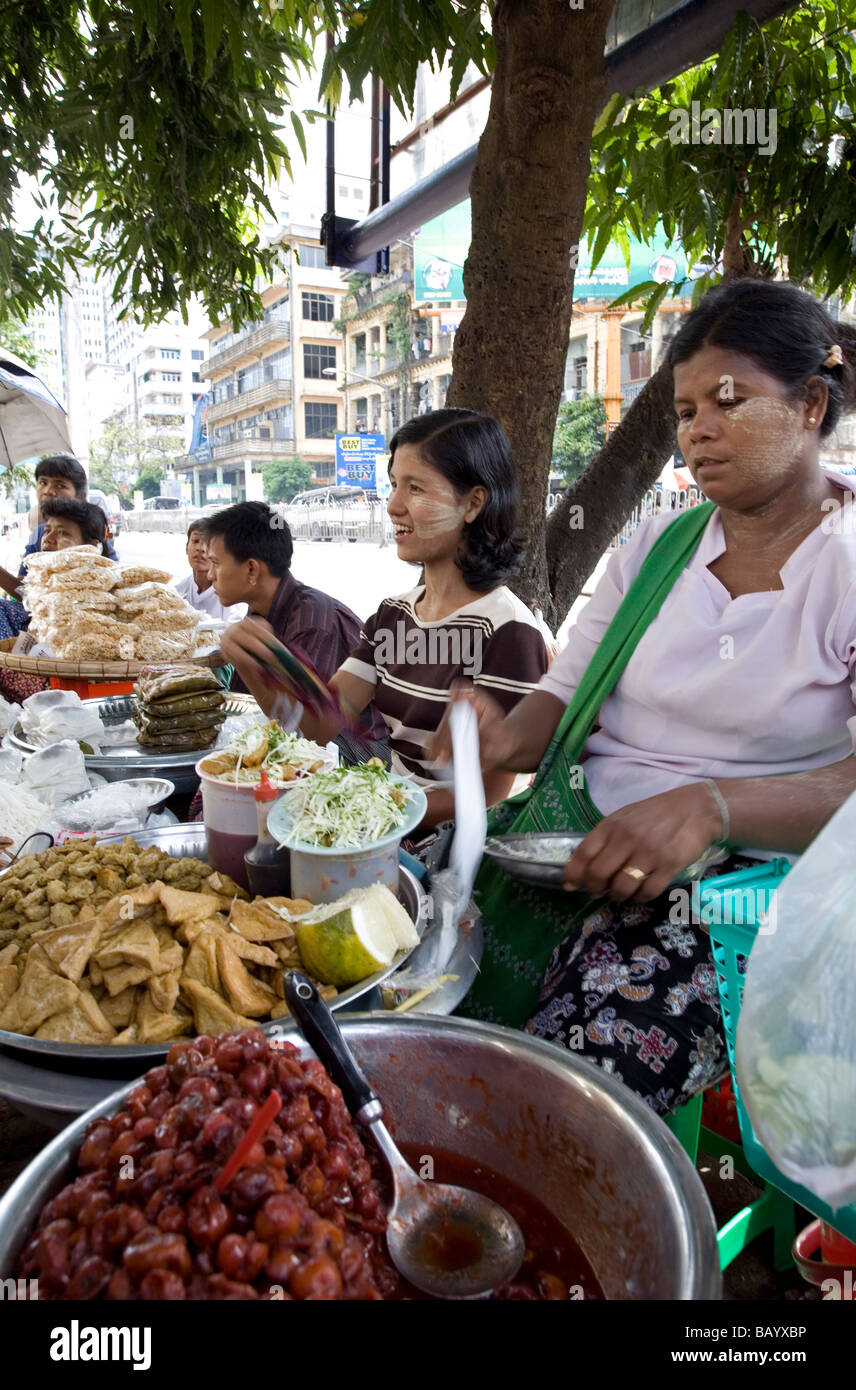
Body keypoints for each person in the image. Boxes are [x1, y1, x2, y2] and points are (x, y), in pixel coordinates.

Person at [433, 279, 856, 1116]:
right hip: (573, 841)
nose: (697, 430)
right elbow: (554, 707)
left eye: (727, 401)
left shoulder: (845, 565)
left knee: (554, 1100)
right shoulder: (658, 547)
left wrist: (712, 808)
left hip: (740, 891)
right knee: (384, 939)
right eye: (685, 408)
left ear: (810, 404)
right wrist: (490, 736)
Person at [222, 409, 549, 829]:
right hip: (387, 820)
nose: (393, 506)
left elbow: (486, 796)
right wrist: (263, 667)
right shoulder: (393, 616)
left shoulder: (507, 629)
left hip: (443, 848)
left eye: (415, 488)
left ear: (473, 503)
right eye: (395, 485)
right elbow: (320, 725)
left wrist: (375, 813)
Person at [206, 501, 389, 761]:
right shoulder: (260, 611)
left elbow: (307, 731)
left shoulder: (312, 621)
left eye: (215, 562)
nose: (210, 573)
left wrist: (251, 665)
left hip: (363, 750)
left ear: (251, 569)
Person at [0, 498, 110, 700]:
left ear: (91, 546)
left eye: (62, 533)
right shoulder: (47, 578)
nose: (48, 539)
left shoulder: (96, 587)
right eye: (48, 530)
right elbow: (25, 593)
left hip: (67, 684)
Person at [174, 520, 246, 623]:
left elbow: (232, 630)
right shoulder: (177, 592)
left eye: (208, 543)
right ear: (186, 548)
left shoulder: (232, 597)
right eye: (195, 541)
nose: (200, 548)